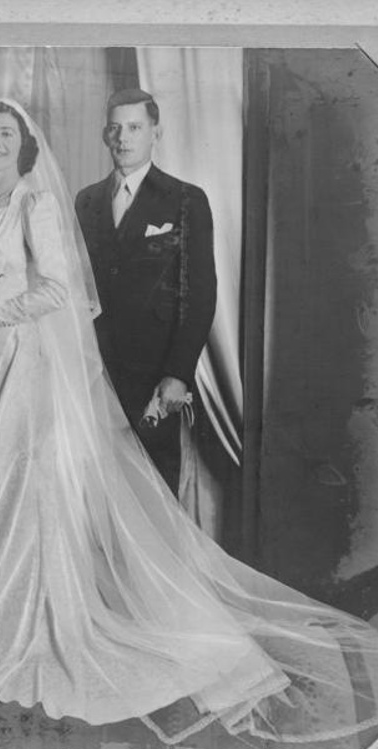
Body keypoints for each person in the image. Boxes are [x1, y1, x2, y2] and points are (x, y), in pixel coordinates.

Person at [0, 98, 378, 749]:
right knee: (7, 493)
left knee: (140, 511)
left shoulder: (172, 199)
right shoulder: (75, 201)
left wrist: (177, 375)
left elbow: (172, 290)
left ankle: (153, 617)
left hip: (139, 379)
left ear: (153, 130)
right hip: (7, 371)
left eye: (6, 133)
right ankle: (13, 604)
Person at [75, 89, 217, 494]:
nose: (124, 138)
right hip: (96, 371)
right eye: (116, 128)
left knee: (154, 491)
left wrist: (178, 374)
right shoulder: (87, 201)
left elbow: (200, 294)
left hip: (154, 373)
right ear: (105, 135)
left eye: (135, 127)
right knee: (97, 487)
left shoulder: (185, 199)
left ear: (156, 132)